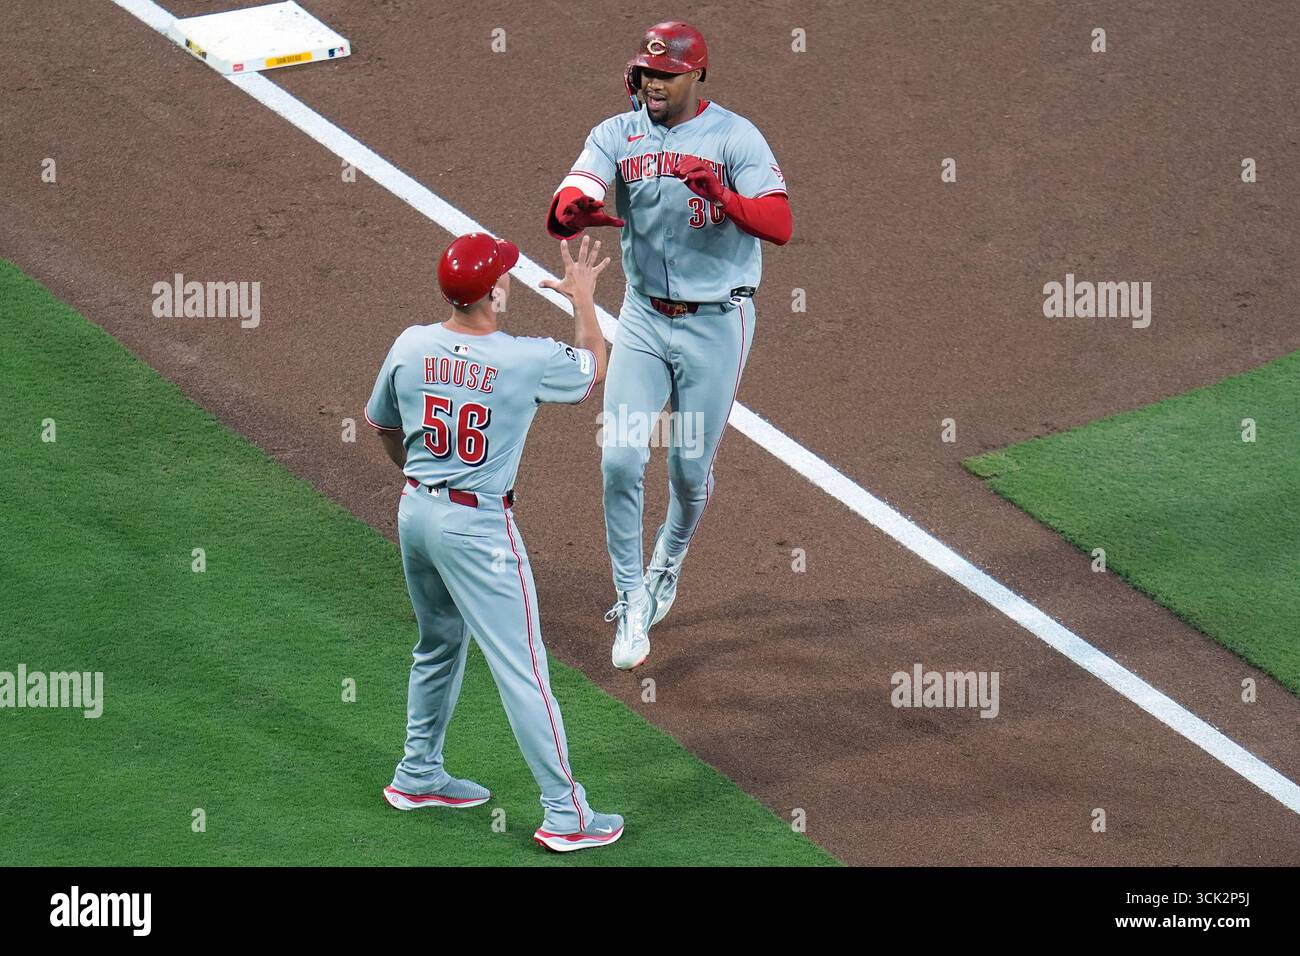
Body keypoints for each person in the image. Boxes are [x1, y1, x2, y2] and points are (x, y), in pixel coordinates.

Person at [545, 21, 793, 670]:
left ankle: (667, 563)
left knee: (687, 469)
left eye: (667, 74)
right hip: (646, 323)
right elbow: (574, 193)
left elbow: (781, 223)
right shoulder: (616, 134)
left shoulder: (736, 137)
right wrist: (576, 207)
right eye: (647, 72)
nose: (654, 83)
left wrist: (725, 196)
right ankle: (631, 598)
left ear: (695, 75)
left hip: (717, 324)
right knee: (621, 460)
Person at [365, 231, 624, 852]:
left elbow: (382, 425)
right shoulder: (523, 358)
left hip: (416, 514)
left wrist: (424, 478)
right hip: (477, 529)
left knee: (438, 644)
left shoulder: (411, 343)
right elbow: (594, 370)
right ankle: (567, 815)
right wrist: (583, 300)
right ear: (493, 291)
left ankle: (418, 773)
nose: (509, 278)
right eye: (504, 273)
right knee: (524, 669)